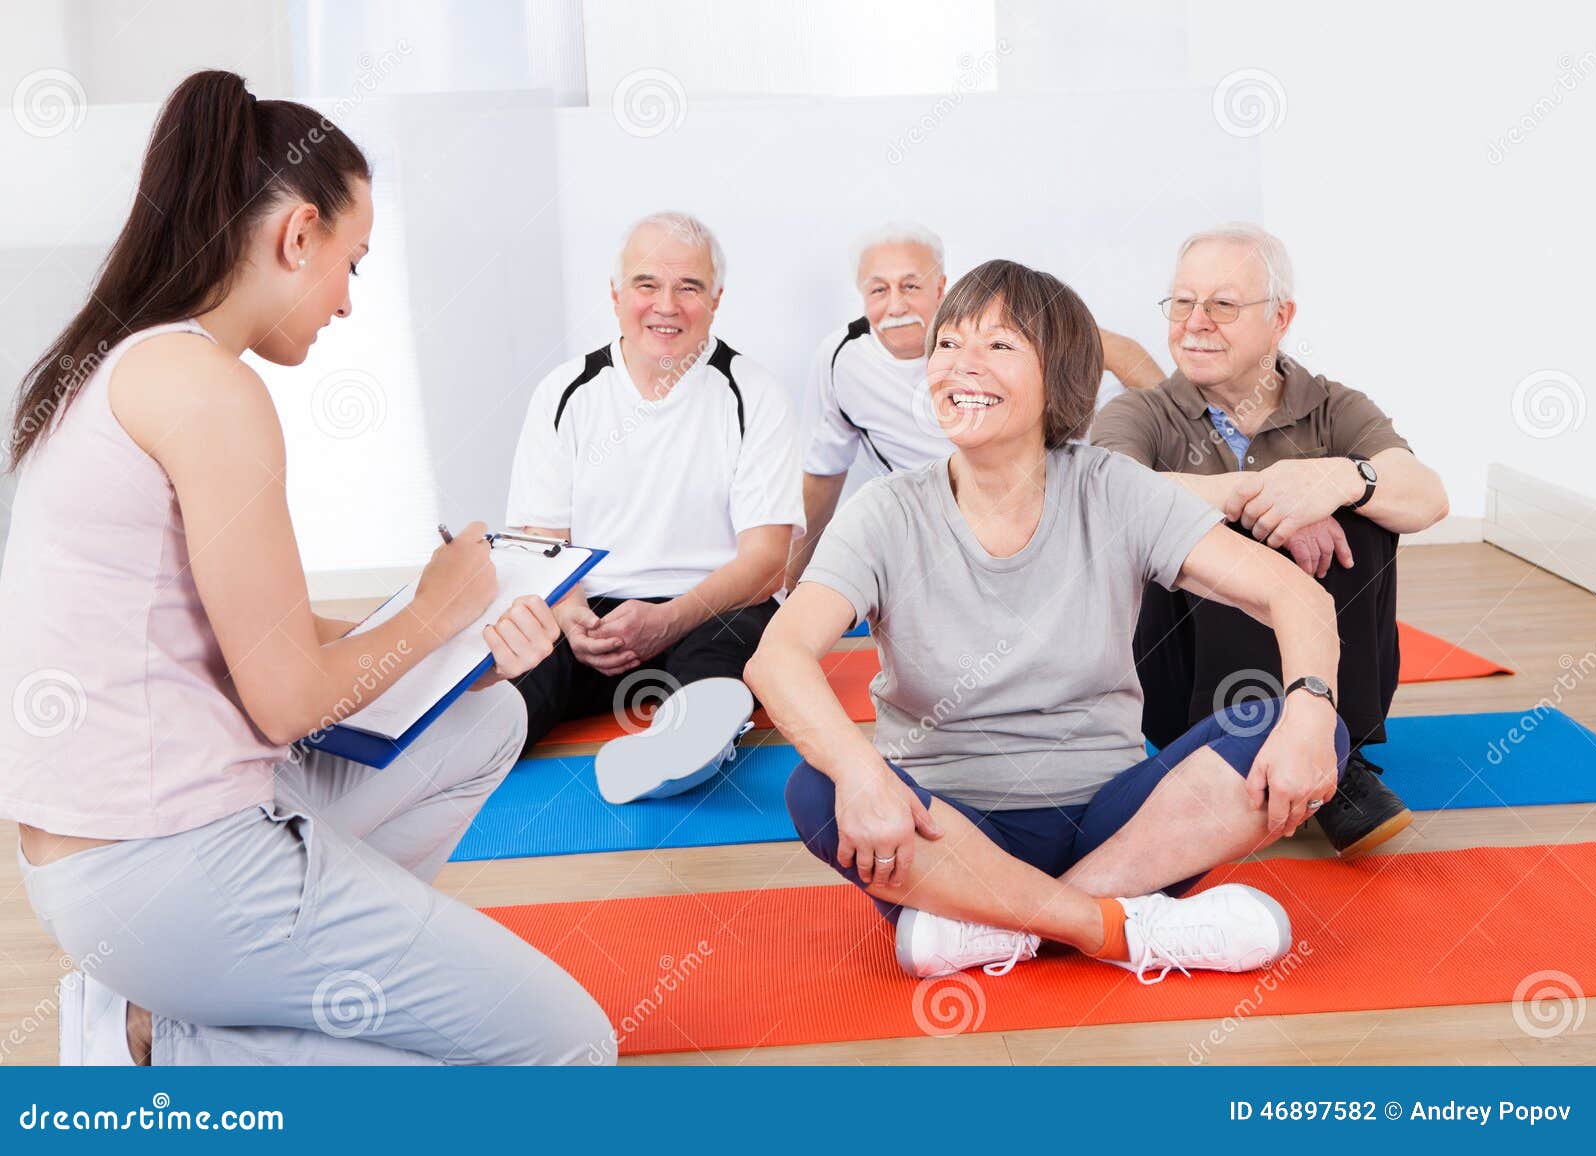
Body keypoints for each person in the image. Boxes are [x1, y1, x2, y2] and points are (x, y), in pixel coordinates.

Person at [0, 72, 611, 1065]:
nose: (346, 301)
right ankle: (169, 1044)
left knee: (488, 715)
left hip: (137, 852)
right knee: (567, 1051)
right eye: (352, 264)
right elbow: (288, 701)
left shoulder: (138, 361)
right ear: (298, 235)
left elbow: (271, 636)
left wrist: (459, 638)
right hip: (165, 867)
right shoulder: (204, 389)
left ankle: (216, 999)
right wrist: (435, 605)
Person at [746, 259, 1351, 982]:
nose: (960, 365)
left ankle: (999, 925)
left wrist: (1312, 716)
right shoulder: (886, 512)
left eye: (998, 346)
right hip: (948, 832)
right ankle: (1119, 927)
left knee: (1297, 727)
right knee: (816, 785)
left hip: (1120, 824)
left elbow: (1296, 595)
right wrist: (861, 774)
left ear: (1057, 376)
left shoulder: (1111, 487)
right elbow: (777, 658)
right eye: (948, 344)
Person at [1092, 224, 1448, 857]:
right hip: (1186, 689)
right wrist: (1268, 501)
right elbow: (1110, 495)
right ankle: (1226, 751)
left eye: (1223, 305)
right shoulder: (1142, 412)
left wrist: (1334, 479)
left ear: (1280, 317)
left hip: (1325, 684)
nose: (1195, 322)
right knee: (1184, 519)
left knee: (1366, 507)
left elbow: (1427, 496)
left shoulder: (1333, 405)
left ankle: (1333, 750)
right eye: (1182, 302)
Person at [507, 211, 803, 803]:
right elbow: (545, 544)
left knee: (718, 662)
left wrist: (668, 619)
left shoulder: (755, 393)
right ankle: (457, 749)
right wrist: (573, 620)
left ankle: (680, 753)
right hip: (593, 610)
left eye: (687, 287)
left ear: (715, 300)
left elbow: (768, 563)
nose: (665, 305)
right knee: (519, 676)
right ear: (617, 295)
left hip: (714, 603)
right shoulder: (565, 392)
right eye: (647, 285)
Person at [787, 223, 1167, 587]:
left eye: (910, 285)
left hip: (1049, 504)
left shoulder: (999, 324)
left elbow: (1117, 350)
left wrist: (1180, 422)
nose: (896, 305)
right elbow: (823, 472)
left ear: (940, 288)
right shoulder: (842, 359)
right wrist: (791, 582)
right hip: (945, 531)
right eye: (878, 290)